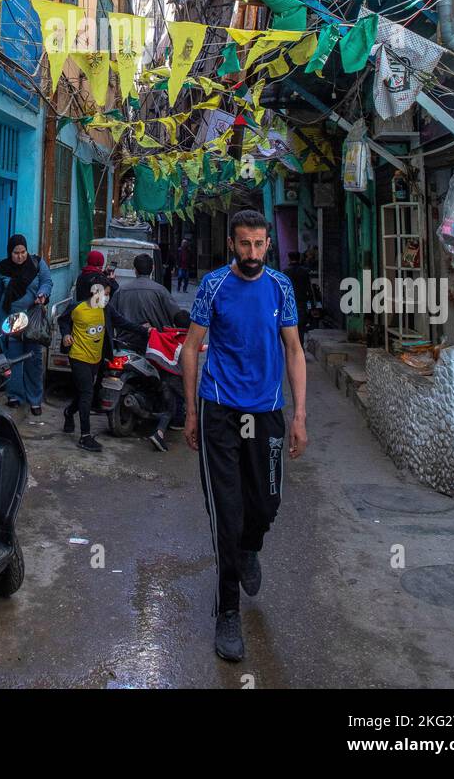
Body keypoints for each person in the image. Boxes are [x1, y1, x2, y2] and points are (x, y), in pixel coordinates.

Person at [180, 208, 307, 663]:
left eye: (259, 244)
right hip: (220, 412)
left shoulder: (281, 287)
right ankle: (228, 613)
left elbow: (294, 349)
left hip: (268, 412)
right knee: (227, 517)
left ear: (268, 244)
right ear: (231, 244)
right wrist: (192, 412)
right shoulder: (214, 286)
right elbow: (190, 348)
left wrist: (299, 415)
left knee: (266, 503)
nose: (252, 253)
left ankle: (251, 548)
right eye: (244, 244)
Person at [109, 252, 187, 452]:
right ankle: (175, 419)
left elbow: (110, 315)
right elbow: (176, 316)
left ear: (135, 270)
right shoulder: (160, 291)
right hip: (155, 348)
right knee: (175, 381)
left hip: (124, 344)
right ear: (151, 269)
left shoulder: (121, 292)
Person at [0, 234, 52, 416]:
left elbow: (47, 282)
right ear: (10, 253)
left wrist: (42, 294)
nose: (20, 256)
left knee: (34, 359)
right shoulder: (2, 268)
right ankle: (14, 395)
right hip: (12, 320)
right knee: (13, 358)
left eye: (23, 252)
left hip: (32, 318)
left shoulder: (37, 263)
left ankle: (35, 399)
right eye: (16, 253)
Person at [57, 275, 113, 453]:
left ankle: (69, 412)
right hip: (78, 356)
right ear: (94, 292)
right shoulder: (77, 307)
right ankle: (85, 436)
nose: (106, 297)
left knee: (87, 392)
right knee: (87, 392)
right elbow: (63, 319)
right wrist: (66, 334)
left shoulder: (104, 308)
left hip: (96, 358)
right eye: (105, 294)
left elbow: (122, 321)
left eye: (108, 294)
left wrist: (145, 331)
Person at [285, 251, 316, 345]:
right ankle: (300, 351)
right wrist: (312, 306)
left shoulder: (285, 272)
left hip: (289, 305)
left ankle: (293, 352)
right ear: (299, 258)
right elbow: (309, 290)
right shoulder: (305, 271)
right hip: (302, 304)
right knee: (301, 330)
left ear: (289, 259)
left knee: (290, 330)